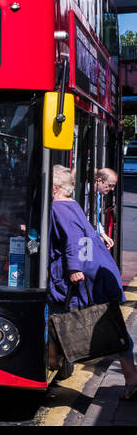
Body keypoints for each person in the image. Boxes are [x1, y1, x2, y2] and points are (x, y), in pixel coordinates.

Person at [48, 164, 137, 397]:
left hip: (86, 276)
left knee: (61, 314)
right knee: (110, 323)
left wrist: (74, 268)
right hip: (97, 272)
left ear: (55, 187)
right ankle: (131, 380)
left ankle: (53, 359)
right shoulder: (72, 204)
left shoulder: (58, 207)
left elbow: (74, 239)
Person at [95, 168, 119, 251]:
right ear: (99, 180)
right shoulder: (86, 194)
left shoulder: (98, 195)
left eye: (113, 186)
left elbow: (95, 219)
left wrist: (103, 235)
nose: (112, 189)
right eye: (110, 185)